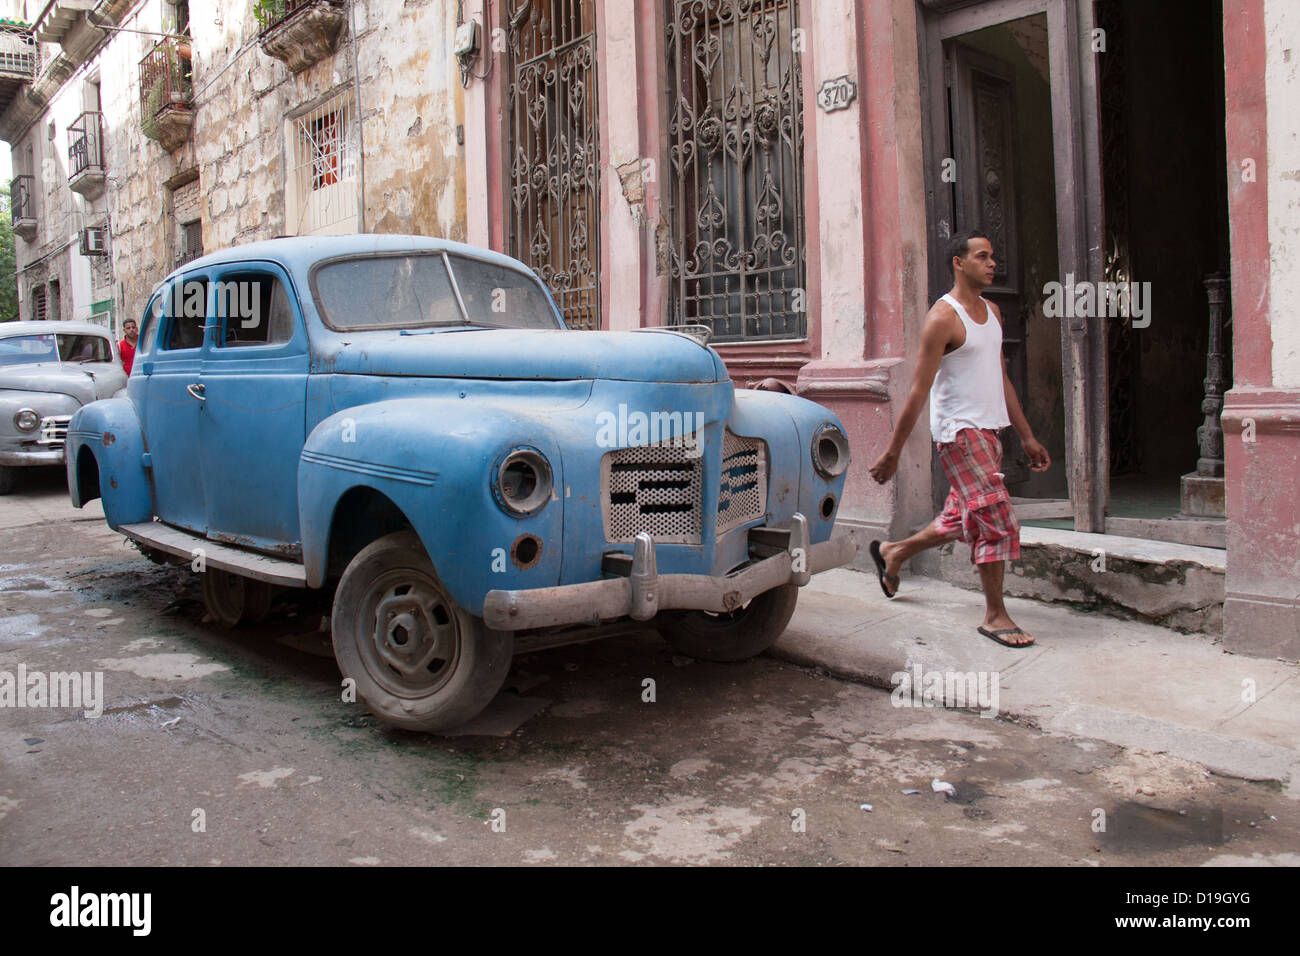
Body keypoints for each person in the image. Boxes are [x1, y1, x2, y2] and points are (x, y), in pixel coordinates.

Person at [867, 230, 1051, 648]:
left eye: (992, 258)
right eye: (983, 257)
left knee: (960, 516)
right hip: (959, 434)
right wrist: (894, 451)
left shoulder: (994, 312)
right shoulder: (943, 318)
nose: (992, 264)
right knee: (996, 519)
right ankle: (994, 615)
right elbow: (918, 389)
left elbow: (1000, 376)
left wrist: (1026, 436)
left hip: (990, 432)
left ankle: (894, 553)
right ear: (959, 262)